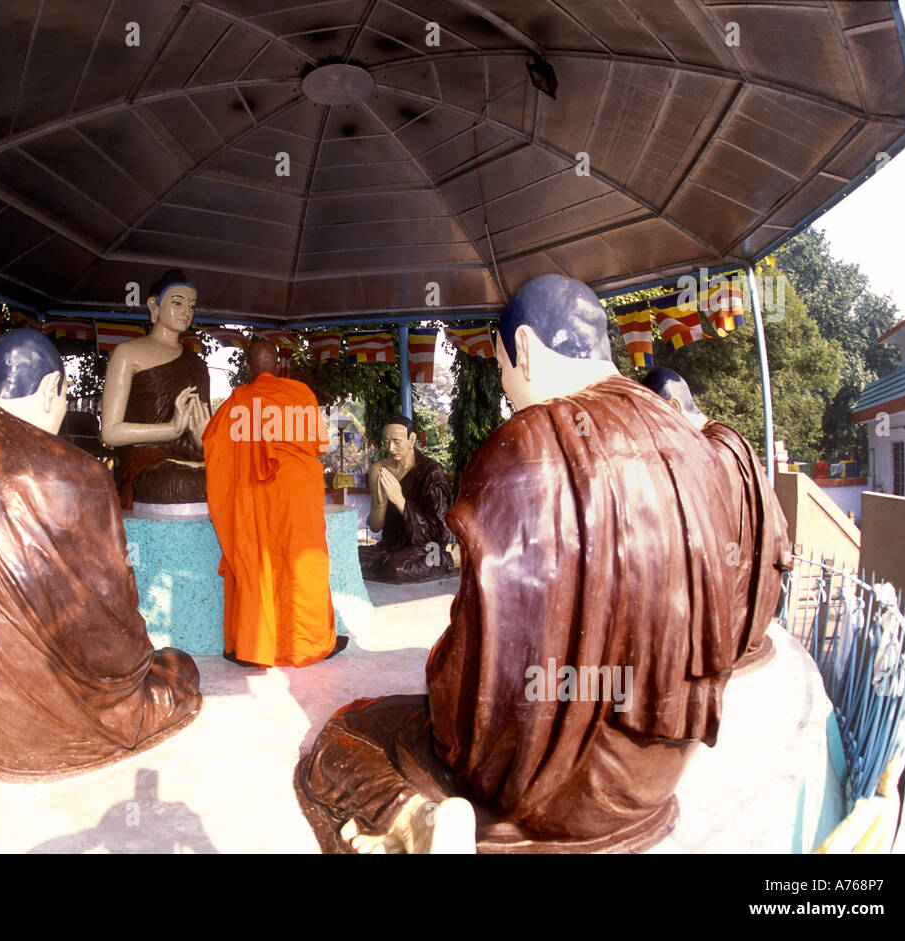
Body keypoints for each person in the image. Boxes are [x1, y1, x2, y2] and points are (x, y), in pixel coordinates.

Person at [296, 274, 787, 853]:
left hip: (542, 798)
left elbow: (480, 670)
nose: (506, 389)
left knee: (350, 732)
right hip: (654, 778)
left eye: (503, 368)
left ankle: (413, 816)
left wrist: (442, 674)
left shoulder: (524, 447)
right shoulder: (688, 437)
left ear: (525, 347)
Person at [0, 329, 201, 774]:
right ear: (53, 389)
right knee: (181, 670)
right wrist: (137, 669)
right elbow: (115, 618)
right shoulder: (80, 474)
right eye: (64, 394)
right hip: (51, 720)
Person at [203, 340, 344, 667]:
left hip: (256, 493)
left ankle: (255, 645)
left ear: (248, 369)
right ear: (280, 367)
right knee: (304, 562)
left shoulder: (238, 402)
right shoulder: (301, 394)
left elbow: (213, 445)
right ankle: (310, 642)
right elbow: (318, 443)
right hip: (299, 490)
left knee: (256, 562)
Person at [641, 367, 790, 668]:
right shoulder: (727, 439)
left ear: (673, 407)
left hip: (731, 620)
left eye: (657, 422)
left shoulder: (712, 451)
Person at [100, 268, 212, 507]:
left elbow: (203, 429)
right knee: (177, 482)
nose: (185, 311)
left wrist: (204, 439)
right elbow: (110, 432)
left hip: (189, 455)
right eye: (177, 302)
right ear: (154, 306)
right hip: (146, 459)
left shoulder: (197, 364)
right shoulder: (127, 353)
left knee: (234, 475)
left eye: (191, 306)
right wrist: (170, 429)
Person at [360, 417, 454, 582]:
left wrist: (399, 500)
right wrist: (382, 504)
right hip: (391, 546)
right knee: (350, 560)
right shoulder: (379, 469)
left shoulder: (430, 471)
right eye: (387, 441)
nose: (390, 448)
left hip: (426, 547)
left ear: (412, 440)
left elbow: (437, 533)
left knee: (396, 568)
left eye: (397, 441)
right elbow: (375, 527)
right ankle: (387, 564)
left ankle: (448, 559)